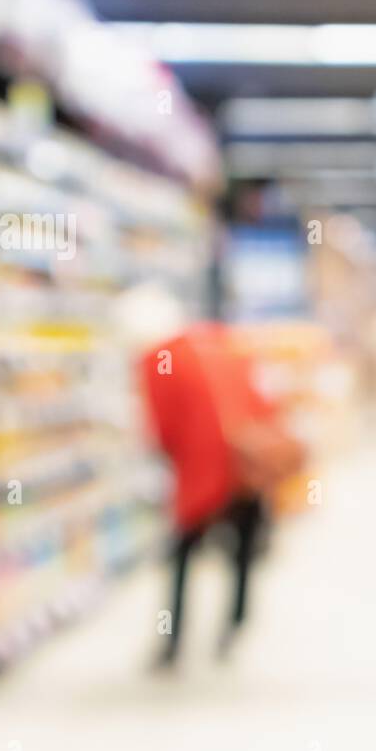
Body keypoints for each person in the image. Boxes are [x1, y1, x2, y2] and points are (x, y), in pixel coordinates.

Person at [116, 284, 283, 667]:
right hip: (245, 464)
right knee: (242, 550)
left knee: (182, 553)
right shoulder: (220, 344)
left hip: (202, 471)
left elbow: (161, 429)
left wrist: (171, 459)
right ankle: (234, 626)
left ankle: (172, 641)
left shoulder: (159, 358)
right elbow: (263, 397)